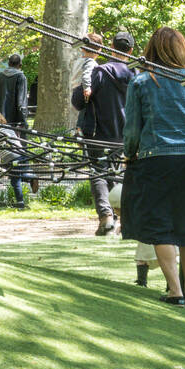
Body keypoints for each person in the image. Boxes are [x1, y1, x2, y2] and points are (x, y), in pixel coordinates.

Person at [122, 27, 185, 306]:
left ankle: (174, 290)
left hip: (156, 156)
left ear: (152, 51)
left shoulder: (141, 82)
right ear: (181, 50)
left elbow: (132, 129)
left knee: (160, 222)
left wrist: (130, 154)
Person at [76, 31, 135, 234]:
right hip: (125, 133)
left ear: (110, 46)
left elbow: (78, 101)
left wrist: (81, 88)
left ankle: (106, 217)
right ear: (131, 51)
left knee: (98, 172)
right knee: (117, 174)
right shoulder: (135, 75)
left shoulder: (100, 71)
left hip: (98, 132)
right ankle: (121, 216)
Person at [0, 111, 26, 207]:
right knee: (21, 174)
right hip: (22, 154)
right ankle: (32, 177)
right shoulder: (9, 129)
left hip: (12, 157)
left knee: (15, 180)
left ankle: (20, 203)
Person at [0, 53, 29, 127]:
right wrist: (23, 121)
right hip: (12, 122)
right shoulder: (20, 77)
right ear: (20, 65)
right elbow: (21, 102)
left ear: (8, 63)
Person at [74, 33, 104, 122]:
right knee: (88, 112)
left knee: (84, 113)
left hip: (75, 91)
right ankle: (83, 130)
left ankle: (80, 128)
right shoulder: (90, 62)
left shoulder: (79, 61)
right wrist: (87, 88)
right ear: (99, 50)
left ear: (83, 48)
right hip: (82, 92)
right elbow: (86, 75)